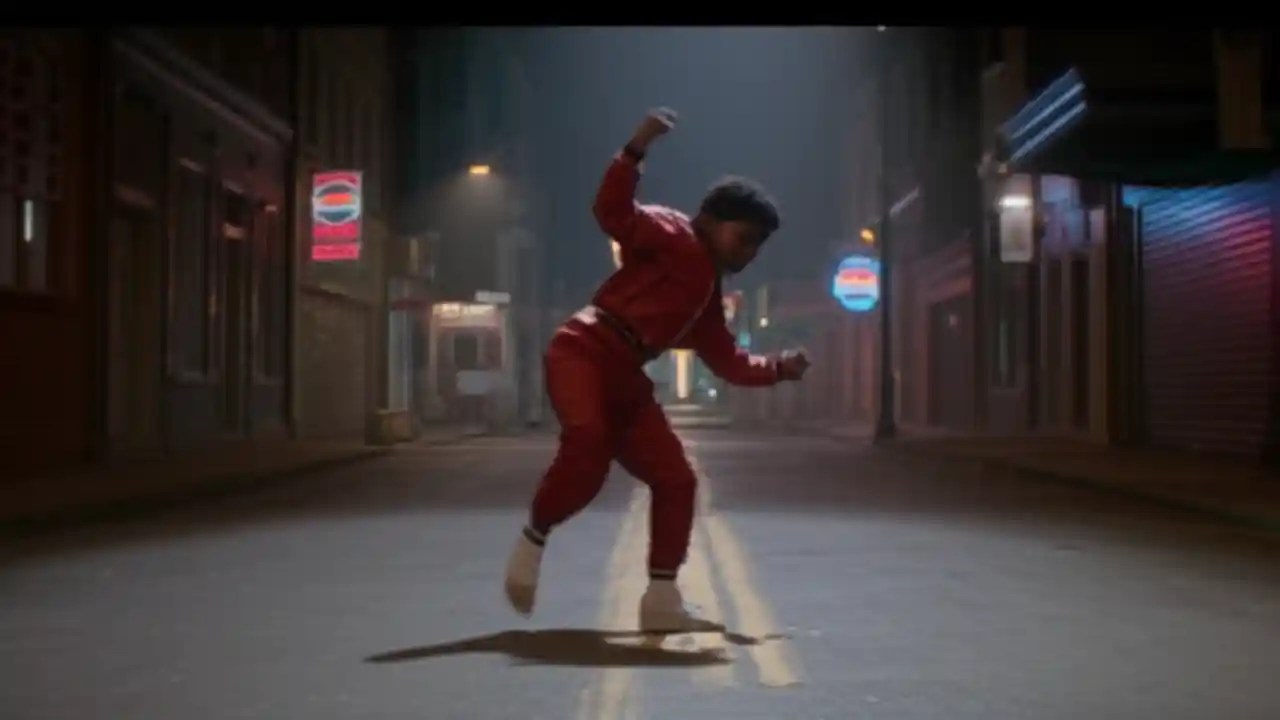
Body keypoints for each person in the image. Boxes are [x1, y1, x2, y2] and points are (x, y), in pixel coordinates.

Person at [504, 107, 811, 632]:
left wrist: (779, 368)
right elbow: (611, 211)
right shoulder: (670, 231)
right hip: (584, 347)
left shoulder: (708, 298)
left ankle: (662, 601)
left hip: (625, 373)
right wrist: (635, 148)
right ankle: (531, 543)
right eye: (744, 238)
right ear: (711, 221)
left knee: (676, 480)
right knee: (588, 445)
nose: (749, 253)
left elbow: (729, 362)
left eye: (758, 245)